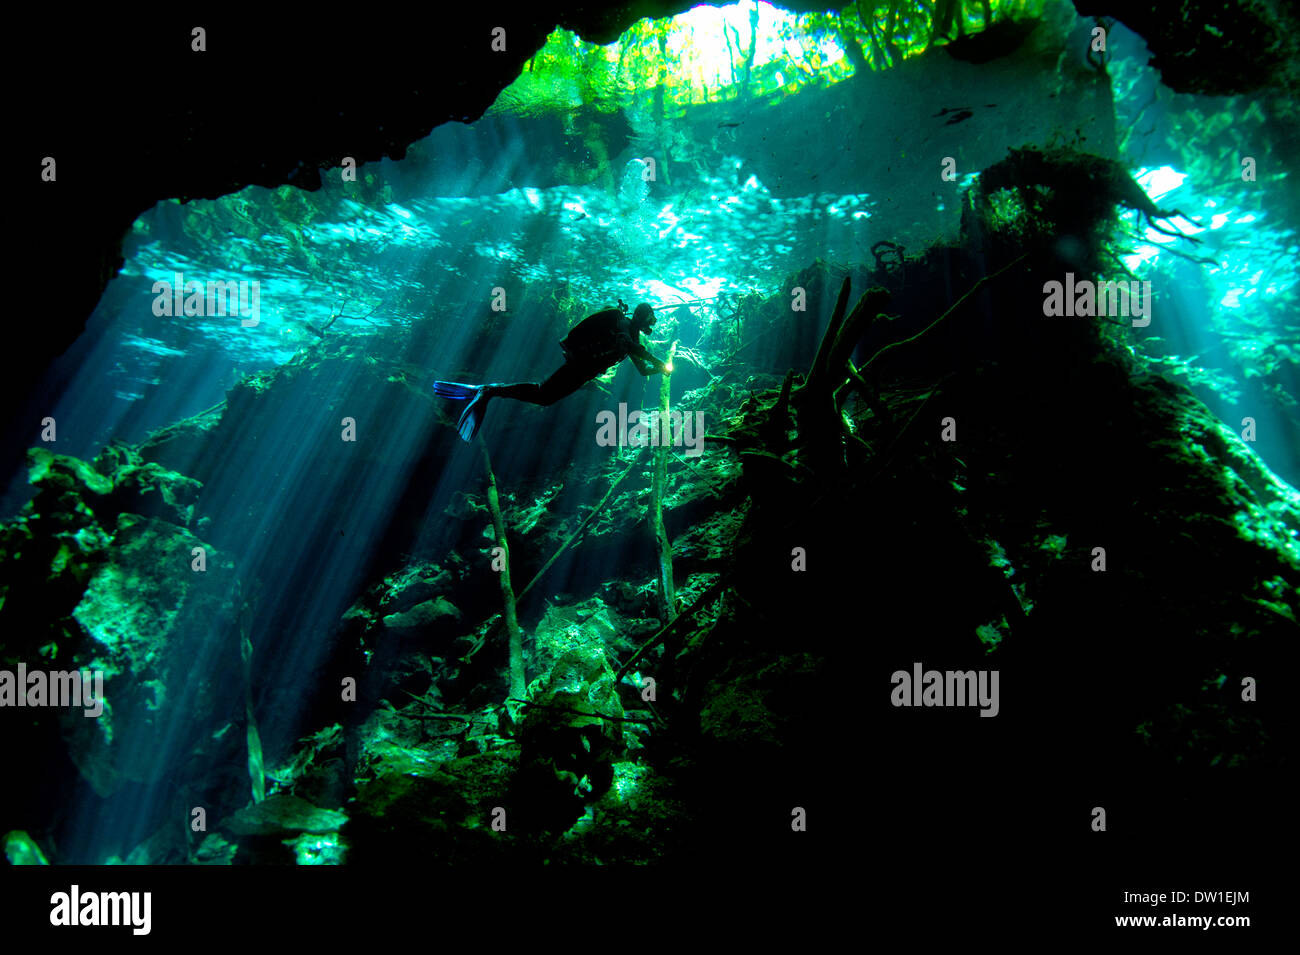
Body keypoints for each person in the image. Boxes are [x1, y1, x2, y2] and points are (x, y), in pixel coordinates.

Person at [434, 301, 670, 442]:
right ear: (640, 316)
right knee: (542, 393)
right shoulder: (622, 325)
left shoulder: (633, 337)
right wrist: (658, 361)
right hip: (579, 367)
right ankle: (488, 390)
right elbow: (631, 348)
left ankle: (489, 391)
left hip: (583, 373)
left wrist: (660, 370)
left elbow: (642, 370)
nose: (652, 323)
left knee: (544, 397)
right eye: (650, 318)